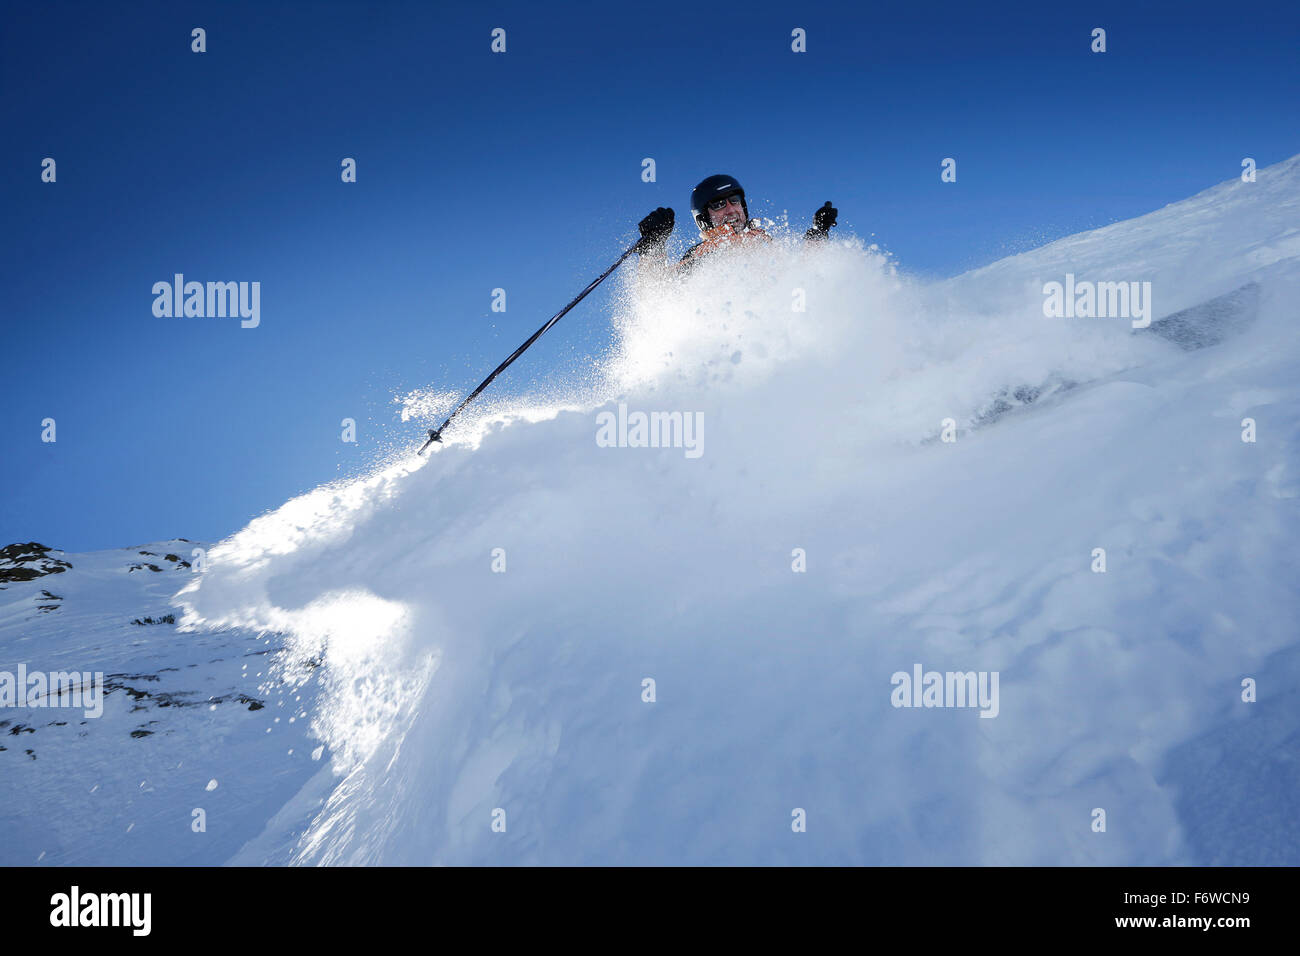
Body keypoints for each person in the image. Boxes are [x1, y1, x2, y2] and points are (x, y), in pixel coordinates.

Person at [635, 174, 838, 273]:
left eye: (735, 201)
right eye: (719, 204)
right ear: (703, 219)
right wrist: (653, 245)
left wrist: (818, 231)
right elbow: (658, 296)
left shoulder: (762, 239)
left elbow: (806, 273)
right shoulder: (703, 253)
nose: (731, 209)